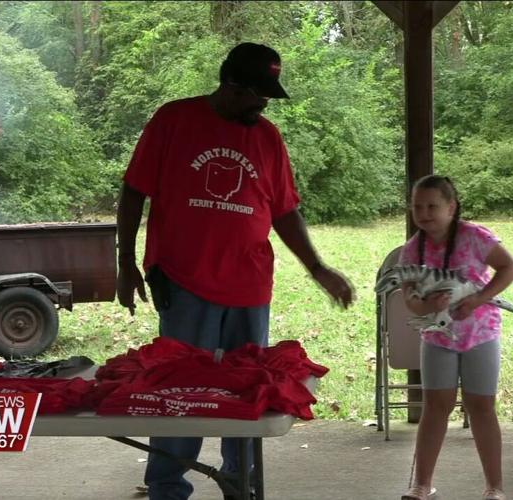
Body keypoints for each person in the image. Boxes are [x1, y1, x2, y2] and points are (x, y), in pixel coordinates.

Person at [116, 42, 354, 500]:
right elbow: (132, 193)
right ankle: (168, 487)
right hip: (184, 282)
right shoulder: (174, 120)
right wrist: (126, 263)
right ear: (231, 84)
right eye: (256, 94)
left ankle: (240, 483)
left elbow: (284, 211)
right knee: (180, 390)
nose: (263, 103)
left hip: (249, 287)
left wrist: (317, 268)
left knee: (245, 392)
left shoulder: (267, 137)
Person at [398, 175, 513, 500]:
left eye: (432, 206)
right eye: (417, 206)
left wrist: (479, 299)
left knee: (481, 406)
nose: (424, 213)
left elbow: (510, 268)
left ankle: (495, 487)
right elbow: (407, 297)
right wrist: (425, 304)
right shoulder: (413, 249)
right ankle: (421, 485)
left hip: (480, 333)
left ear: (451, 207)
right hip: (438, 336)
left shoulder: (475, 236)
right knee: (436, 406)